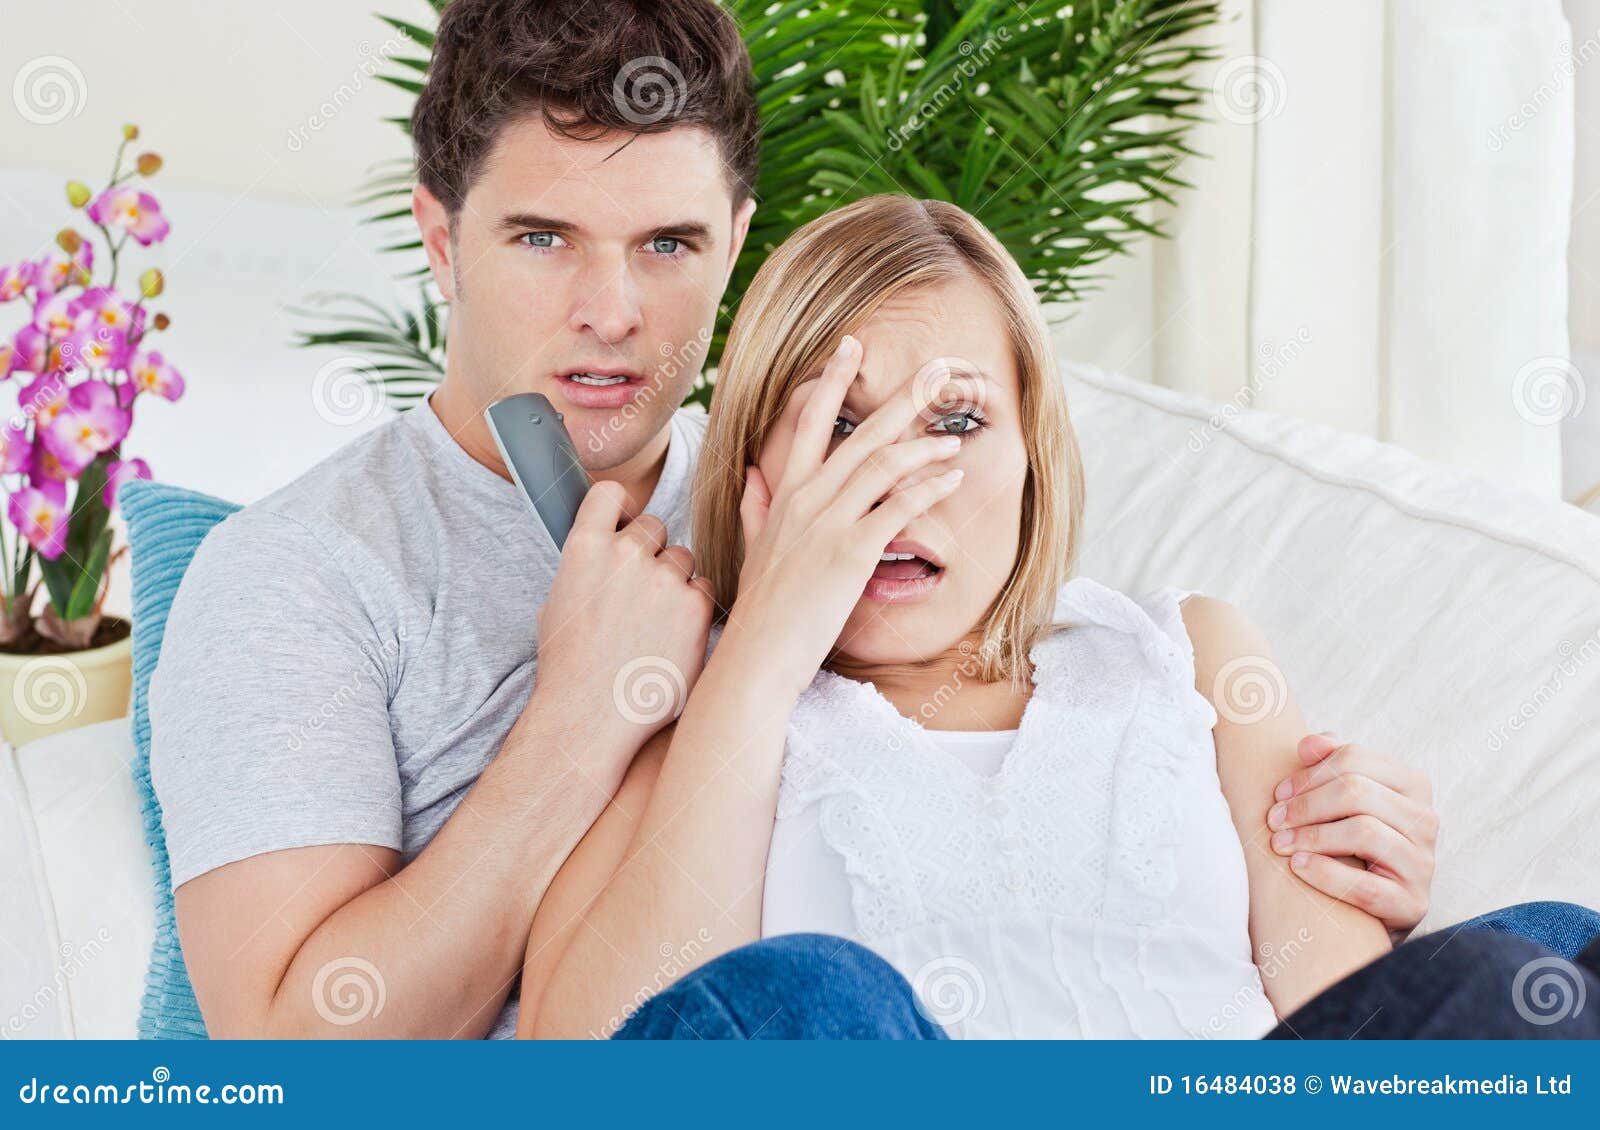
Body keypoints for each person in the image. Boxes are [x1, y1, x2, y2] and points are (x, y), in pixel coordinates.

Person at [152, 0, 1450, 1040]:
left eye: (667, 243)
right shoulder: (301, 573)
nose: (610, 309)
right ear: (439, 238)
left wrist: (1319, 829)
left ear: (737, 243)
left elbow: (1041, 710)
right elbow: (295, 1060)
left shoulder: (813, 474)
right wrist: (583, 716)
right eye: (544, 237)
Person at [513, 194, 1600, 1041]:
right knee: (805, 995)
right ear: (760, 467)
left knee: (1538, 962)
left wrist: (1412, 963)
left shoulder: (1189, 660)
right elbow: (589, 1055)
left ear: (1032, 453)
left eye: (953, 419)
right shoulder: (700, 728)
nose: (900, 483)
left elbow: (1338, 1024)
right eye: (839, 427)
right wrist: (760, 652)